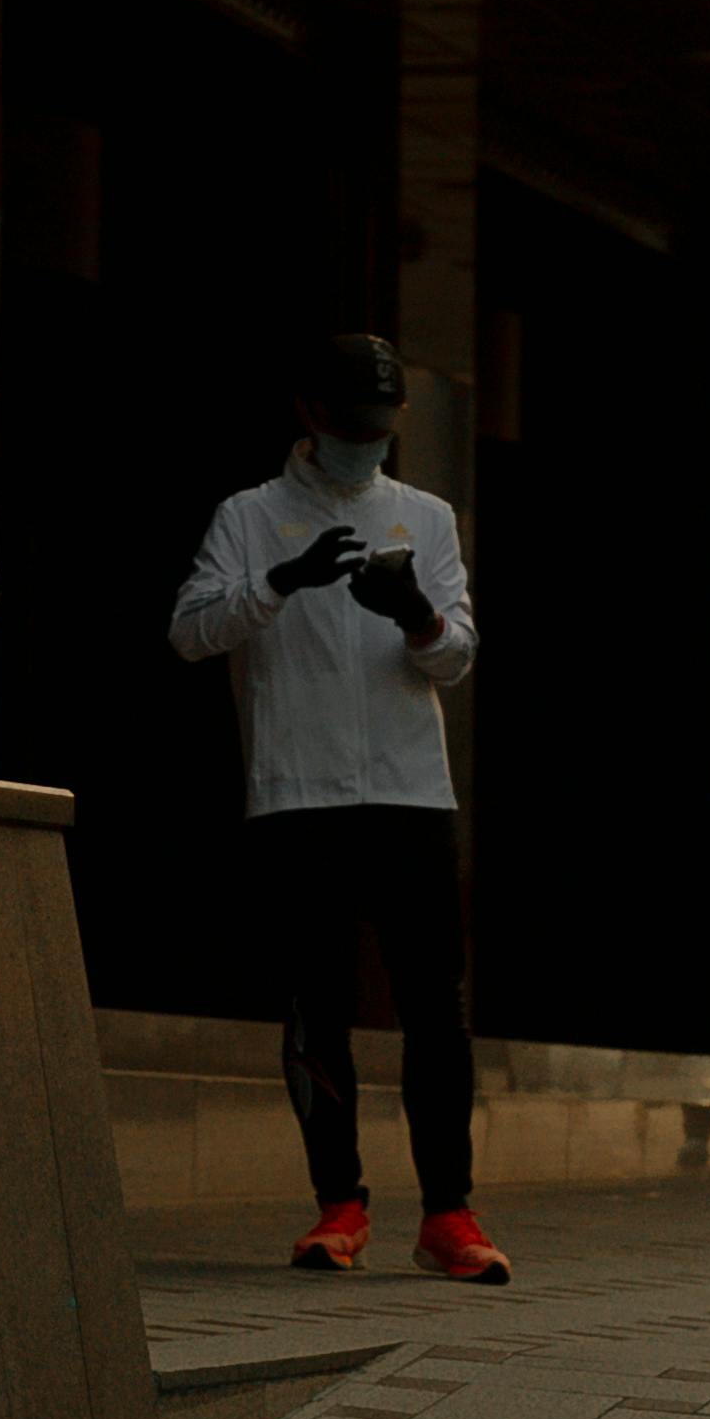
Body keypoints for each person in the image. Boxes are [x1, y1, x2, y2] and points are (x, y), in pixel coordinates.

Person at [168, 331, 513, 1284]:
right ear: (308, 414)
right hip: (296, 793)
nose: (371, 441)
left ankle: (448, 1210)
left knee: (434, 1012)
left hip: (409, 791)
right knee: (315, 1009)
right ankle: (339, 1205)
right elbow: (190, 633)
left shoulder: (426, 515)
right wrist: (280, 581)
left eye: (383, 425)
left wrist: (416, 614)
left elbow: (458, 657)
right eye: (355, 423)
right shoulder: (248, 514)